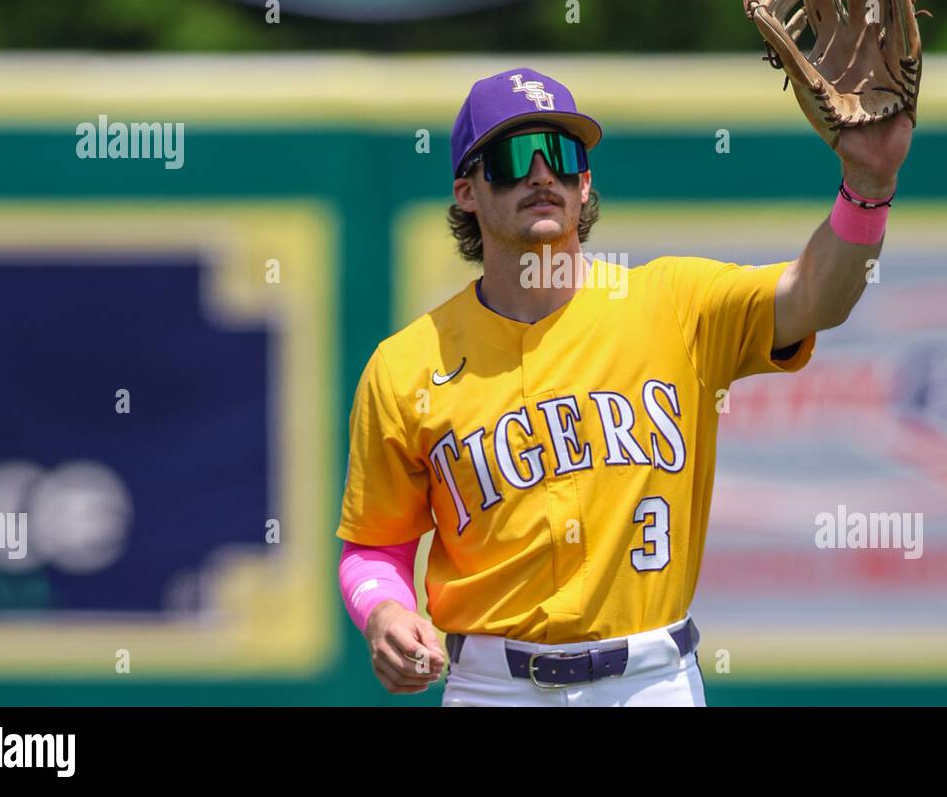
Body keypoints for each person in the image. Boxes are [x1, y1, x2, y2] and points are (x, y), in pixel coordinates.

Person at [336, 66, 907, 706]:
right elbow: (373, 545)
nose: (540, 173)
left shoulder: (673, 305)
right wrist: (382, 611)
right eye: (513, 156)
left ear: (584, 183)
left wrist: (868, 185)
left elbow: (815, 297)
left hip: (651, 681)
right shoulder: (406, 364)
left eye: (561, 153)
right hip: (491, 688)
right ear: (467, 191)